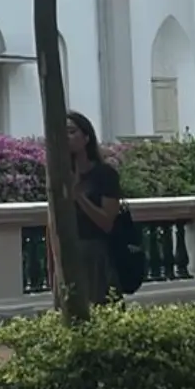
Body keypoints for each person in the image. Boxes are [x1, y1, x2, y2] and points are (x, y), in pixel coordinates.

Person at [67, 111, 121, 305]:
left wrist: (78, 196)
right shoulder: (59, 175)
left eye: (72, 131)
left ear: (86, 137)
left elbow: (107, 222)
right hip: (67, 252)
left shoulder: (104, 174)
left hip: (95, 252)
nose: (66, 137)